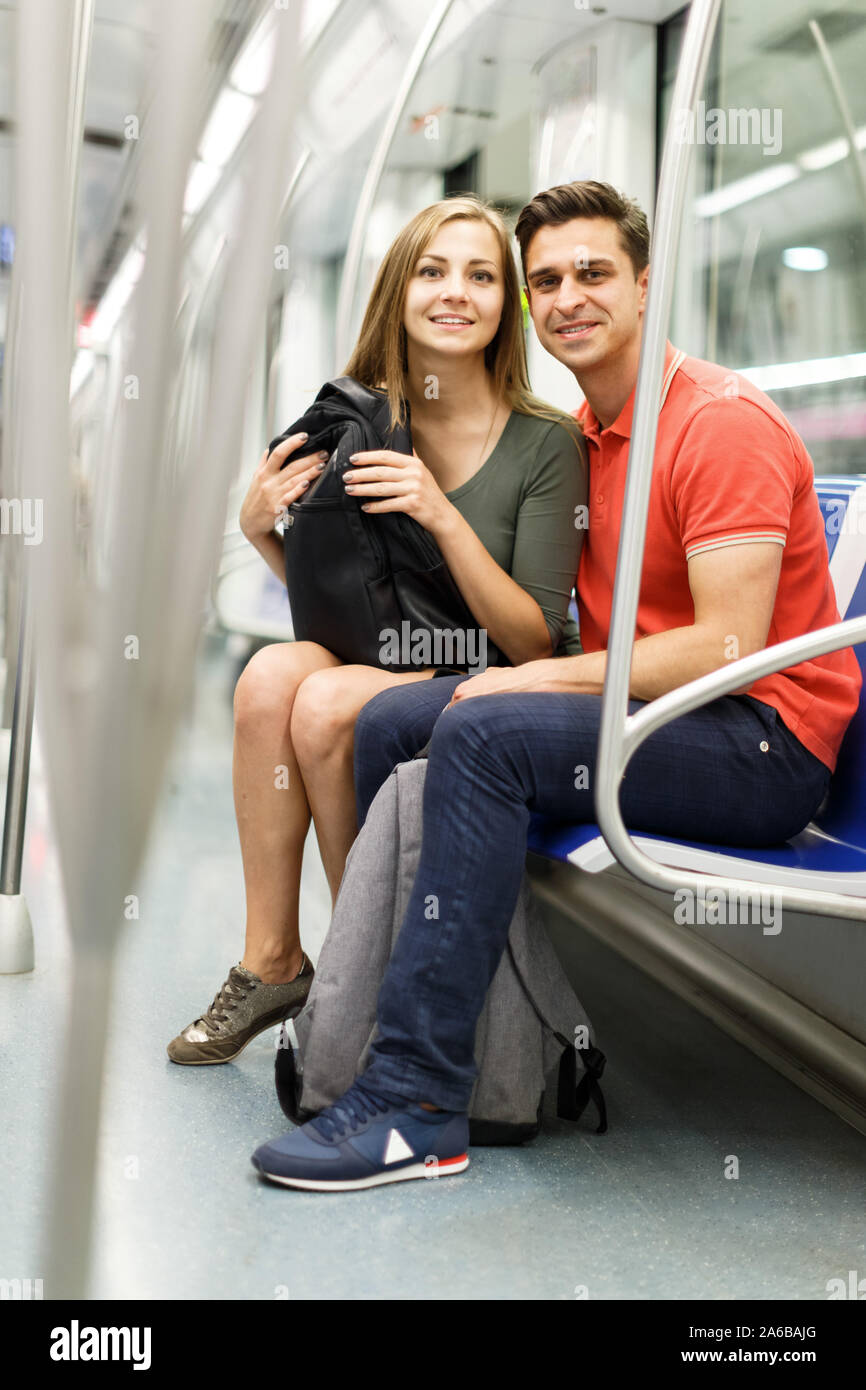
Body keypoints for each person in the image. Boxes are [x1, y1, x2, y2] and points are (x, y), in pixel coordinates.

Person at [250, 179, 862, 1191]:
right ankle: (370, 1021)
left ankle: (418, 1102)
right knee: (390, 718)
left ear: (644, 285)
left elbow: (724, 646)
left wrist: (530, 680)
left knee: (482, 733)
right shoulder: (590, 435)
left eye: (593, 273)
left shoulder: (717, 426)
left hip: (759, 741)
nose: (568, 297)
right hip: (653, 715)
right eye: (545, 281)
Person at [167, 195, 586, 1065]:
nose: (455, 291)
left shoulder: (545, 444)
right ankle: (273, 959)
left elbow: (536, 640)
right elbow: (340, 596)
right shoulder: (358, 424)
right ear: (399, 291)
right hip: (386, 653)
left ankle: (362, 972)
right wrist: (262, 532)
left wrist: (441, 514)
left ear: (505, 306)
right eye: (432, 271)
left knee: (324, 703)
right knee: (269, 678)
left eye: (481, 276)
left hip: (487, 668)